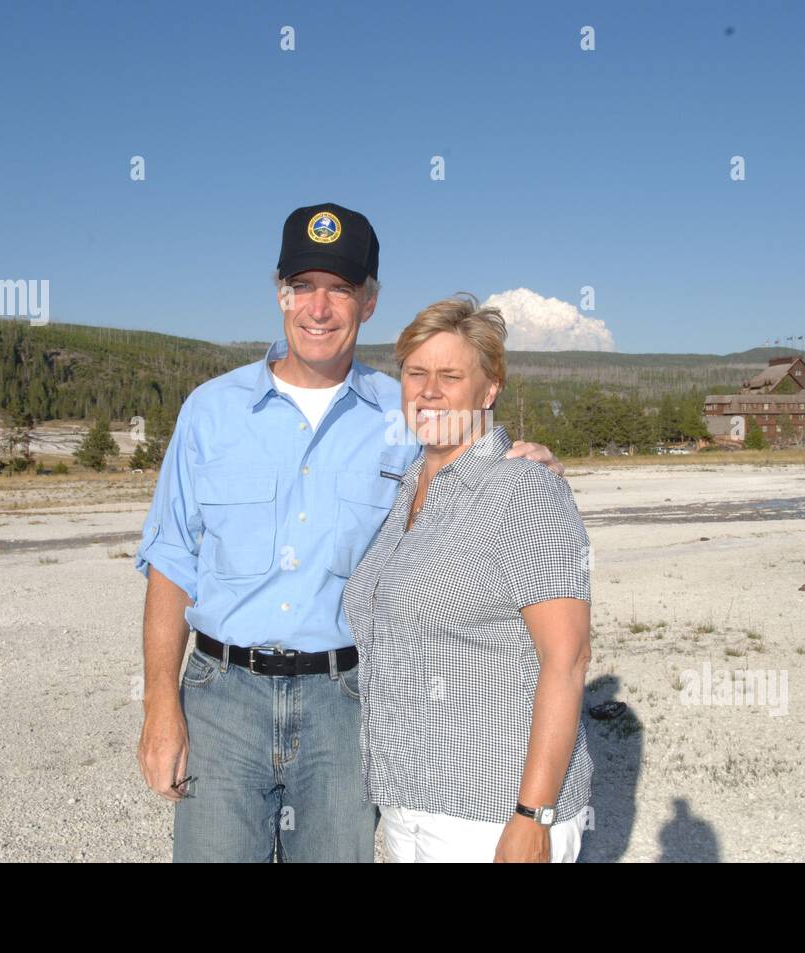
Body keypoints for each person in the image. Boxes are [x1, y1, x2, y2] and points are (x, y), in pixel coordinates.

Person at [133, 203, 562, 862]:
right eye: (302, 285)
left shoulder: (404, 413)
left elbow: (468, 472)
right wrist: (160, 704)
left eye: (340, 288)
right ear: (280, 293)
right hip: (221, 700)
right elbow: (170, 561)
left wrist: (524, 460)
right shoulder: (210, 412)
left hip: (346, 703)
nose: (319, 307)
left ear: (369, 301)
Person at [343, 293, 593, 863]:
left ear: (490, 389)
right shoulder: (408, 488)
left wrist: (532, 816)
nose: (429, 390)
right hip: (409, 803)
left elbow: (569, 659)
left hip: (492, 812)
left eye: (450, 376)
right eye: (415, 373)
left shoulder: (522, 490)